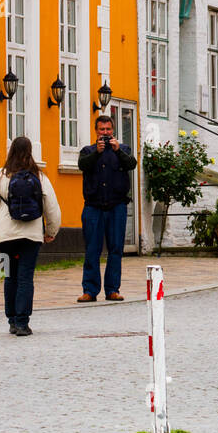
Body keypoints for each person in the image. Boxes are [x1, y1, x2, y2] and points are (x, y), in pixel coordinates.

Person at [0, 135, 60, 336]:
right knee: (25, 278)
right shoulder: (39, 177)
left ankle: (12, 320)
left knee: (8, 276)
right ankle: (23, 323)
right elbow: (52, 206)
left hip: (4, 238)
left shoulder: (0, 176)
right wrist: (50, 232)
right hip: (31, 237)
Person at [77, 114, 136, 302]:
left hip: (116, 206)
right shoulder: (88, 151)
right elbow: (82, 165)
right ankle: (90, 290)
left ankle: (112, 289)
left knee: (116, 249)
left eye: (108, 129)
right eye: (101, 130)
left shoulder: (124, 149)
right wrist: (97, 153)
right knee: (92, 249)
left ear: (113, 130)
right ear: (96, 131)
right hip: (93, 207)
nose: (105, 133)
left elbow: (131, 164)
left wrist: (117, 151)